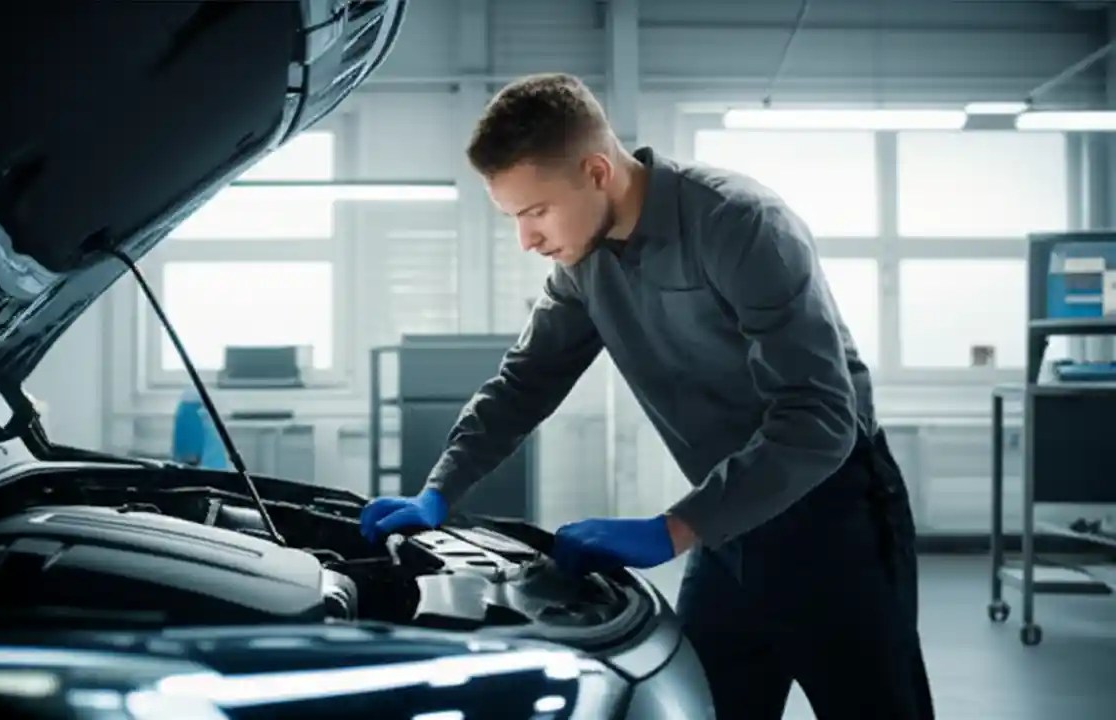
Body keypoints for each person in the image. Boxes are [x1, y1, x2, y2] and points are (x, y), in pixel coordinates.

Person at [358, 73, 933, 719]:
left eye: (536, 211)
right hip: (726, 523)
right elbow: (525, 381)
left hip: (834, 521)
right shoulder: (581, 265)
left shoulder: (739, 224)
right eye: (513, 217)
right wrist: (440, 489)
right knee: (705, 705)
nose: (527, 239)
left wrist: (673, 529)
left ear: (597, 171)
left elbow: (821, 419)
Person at [171, 385, 228, 470]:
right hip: (216, 473)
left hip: (204, 473)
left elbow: (188, 458)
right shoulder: (202, 414)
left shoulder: (189, 413)